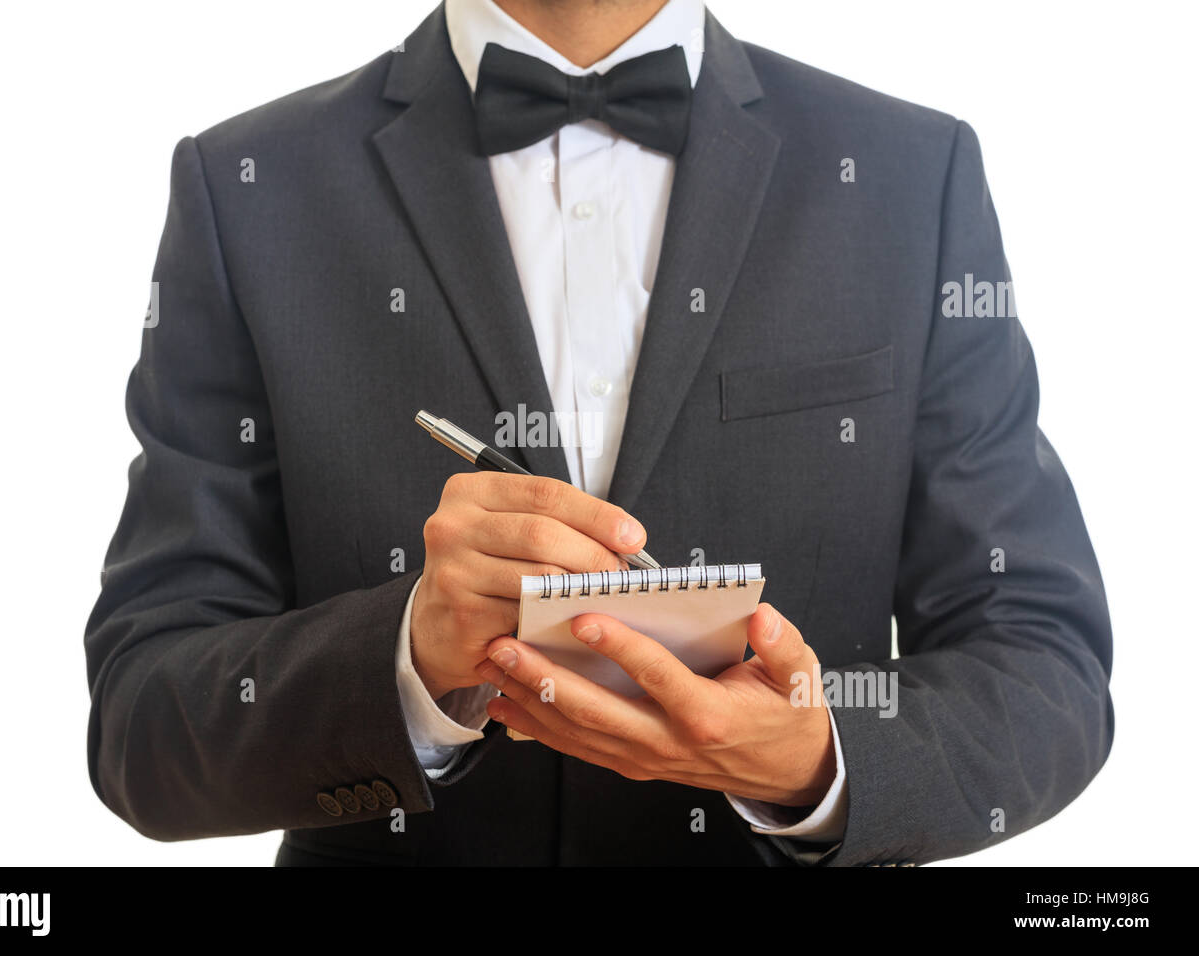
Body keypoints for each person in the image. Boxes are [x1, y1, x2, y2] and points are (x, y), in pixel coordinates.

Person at [84, 0, 1113, 866]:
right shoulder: (248, 187)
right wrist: (406, 655)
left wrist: (817, 757)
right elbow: (142, 720)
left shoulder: (907, 175)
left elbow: (1043, 662)